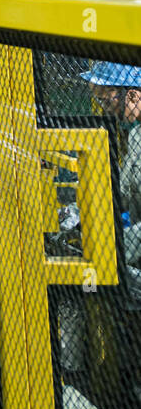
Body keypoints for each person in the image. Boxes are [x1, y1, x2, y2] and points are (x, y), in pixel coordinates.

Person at [81, 61, 141, 287]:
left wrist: (115, 248)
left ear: (133, 95)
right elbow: (126, 195)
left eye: (106, 100)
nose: (105, 108)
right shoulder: (135, 136)